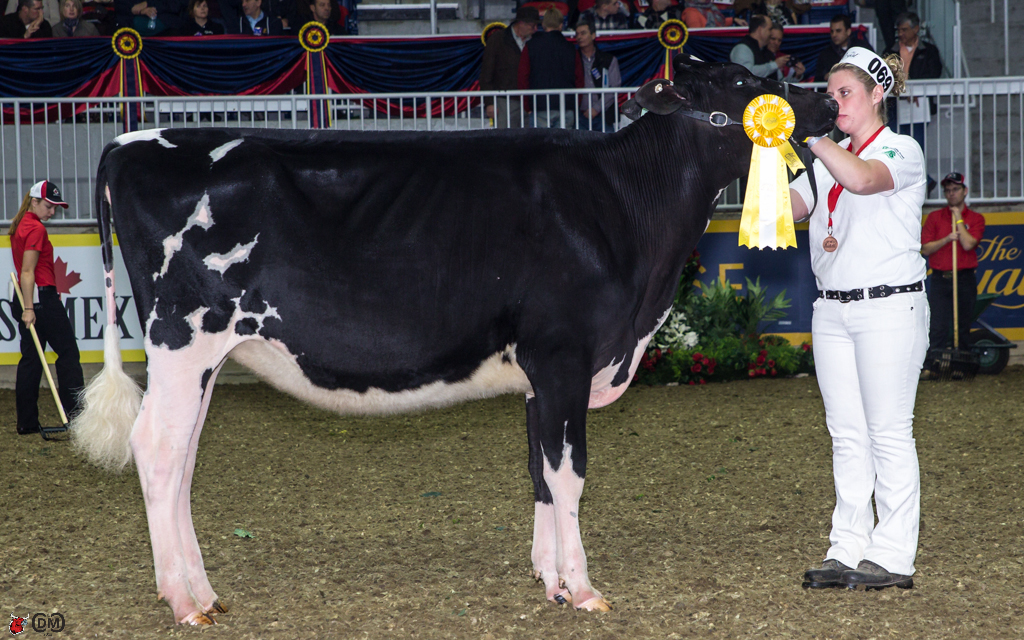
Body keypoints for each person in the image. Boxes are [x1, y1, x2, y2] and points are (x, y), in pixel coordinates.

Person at [789, 47, 928, 591]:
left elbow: (866, 180)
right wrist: (770, 151)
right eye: (830, 94)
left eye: (845, 93)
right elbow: (791, 208)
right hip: (833, 308)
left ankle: (893, 555)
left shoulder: (902, 149)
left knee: (889, 433)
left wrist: (815, 140)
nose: (835, 102)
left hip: (890, 306)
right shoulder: (827, 154)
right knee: (846, 436)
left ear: (877, 94)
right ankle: (847, 547)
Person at [9, 181, 84, 436]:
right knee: (69, 355)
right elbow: (27, 271)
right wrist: (30, 308)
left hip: (26, 296)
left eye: (56, 207)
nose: (52, 212)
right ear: (34, 202)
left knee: (31, 359)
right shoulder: (36, 229)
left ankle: (27, 423)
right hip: (39, 298)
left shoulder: (21, 226)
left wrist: (27, 305)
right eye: (49, 206)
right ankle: (76, 417)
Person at [920, 172, 984, 356]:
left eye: (955, 189)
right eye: (947, 190)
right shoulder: (934, 218)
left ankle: (961, 364)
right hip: (941, 279)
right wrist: (947, 239)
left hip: (964, 278)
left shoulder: (976, 218)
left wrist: (959, 219)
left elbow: (968, 243)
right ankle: (935, 364)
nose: (951, 193)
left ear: (965, 191)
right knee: (938, 325)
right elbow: (926, 249)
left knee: (963, 324)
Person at [518, 8, 583, 128]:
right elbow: (579, 79)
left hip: (540, 106)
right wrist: (575, 104)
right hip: (566, 105)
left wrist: (527, 105)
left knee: (541, 145)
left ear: (543, 24)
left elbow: (523, 77)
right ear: (561, 25)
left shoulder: (530, 46)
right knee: (564, 145)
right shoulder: (571, 48)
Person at [887, 12, 942, 152]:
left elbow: (933, 74)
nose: (900, 34)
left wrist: (914, 91)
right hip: (895, 104)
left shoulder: (930, 51)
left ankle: (917, 173)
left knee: (916, 144)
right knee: (896, 145)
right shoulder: (889, 51)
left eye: (904, 30)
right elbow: (885, 75)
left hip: (919, 104)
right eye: (898, 30)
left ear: (916, 29)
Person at [480, 6, 540, 129]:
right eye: (532, 25)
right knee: (504, 142)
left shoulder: (535, 41)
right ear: (521, 23)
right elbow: (486, 73)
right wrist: (489, 103)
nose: (535, 29)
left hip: (530, 100)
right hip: (504, 100)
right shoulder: (497, 40)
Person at [574, 17, 621, 132]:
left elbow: (614, 87)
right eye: (577, 34)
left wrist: (596, 108)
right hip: (579, 116)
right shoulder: (572, 59)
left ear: (593, 35)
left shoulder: (608, 59)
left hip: (604, 115)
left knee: (609, 148)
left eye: (583, 33)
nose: (579, 37)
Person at [729, 14, 791, 79]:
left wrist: (796, 76)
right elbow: (745, 74)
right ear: (760, 29)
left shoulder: (766, 52)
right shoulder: (742, 48)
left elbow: (778, 82)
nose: (771, 33)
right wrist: (774, 65)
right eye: (769, 29)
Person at [815, 14, 873, 82]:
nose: (834, 35)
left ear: (848, 31)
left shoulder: (862, 47)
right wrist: (826, 77)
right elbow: (817, 80)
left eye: (838, 31)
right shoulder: (825, 54)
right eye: (832, 31)